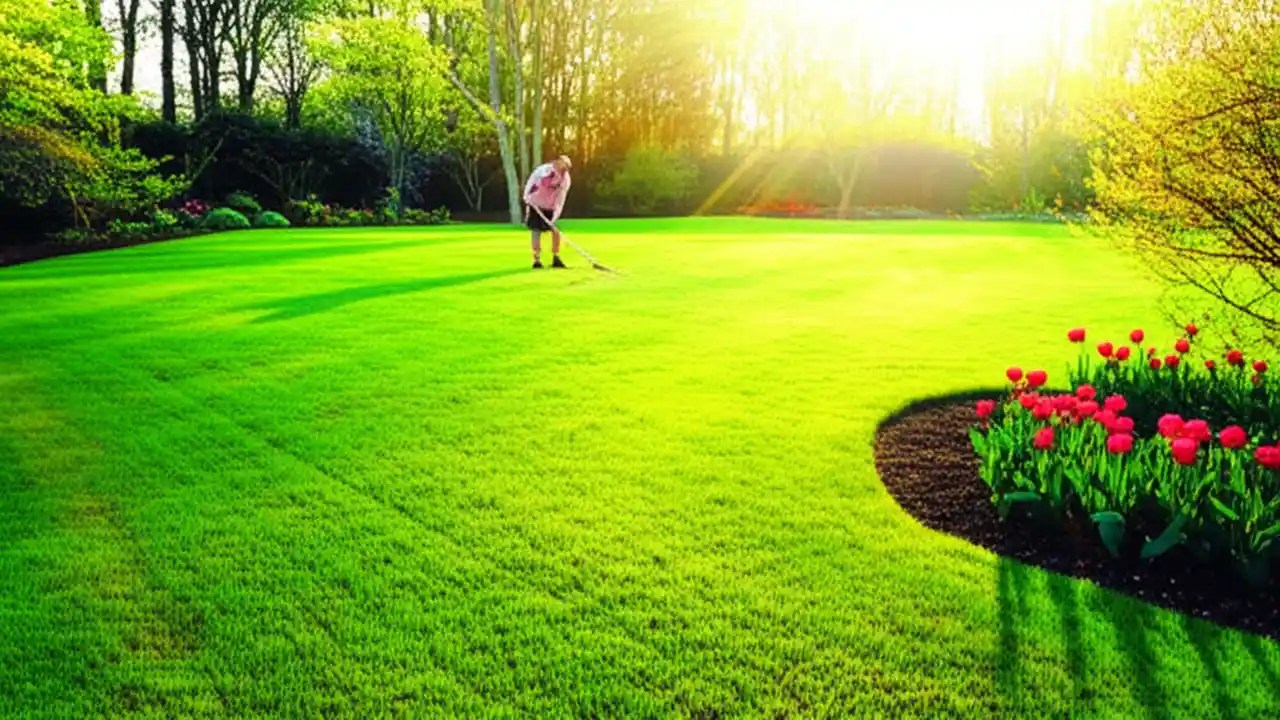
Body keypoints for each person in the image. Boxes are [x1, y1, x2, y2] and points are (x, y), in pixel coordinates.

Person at [523, 155, 572, 269]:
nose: (561, 168)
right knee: (536, 232)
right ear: (556, 162)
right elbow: (532, 182)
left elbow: (560, 199)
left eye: (564, 167)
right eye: (560, 164)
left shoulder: (565, 180)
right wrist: (526, 197)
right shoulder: (543, 170)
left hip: (550, 207)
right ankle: (536, 260)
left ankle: (556, 257)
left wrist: (554, 217)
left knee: (556, 231)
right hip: (535, 204)